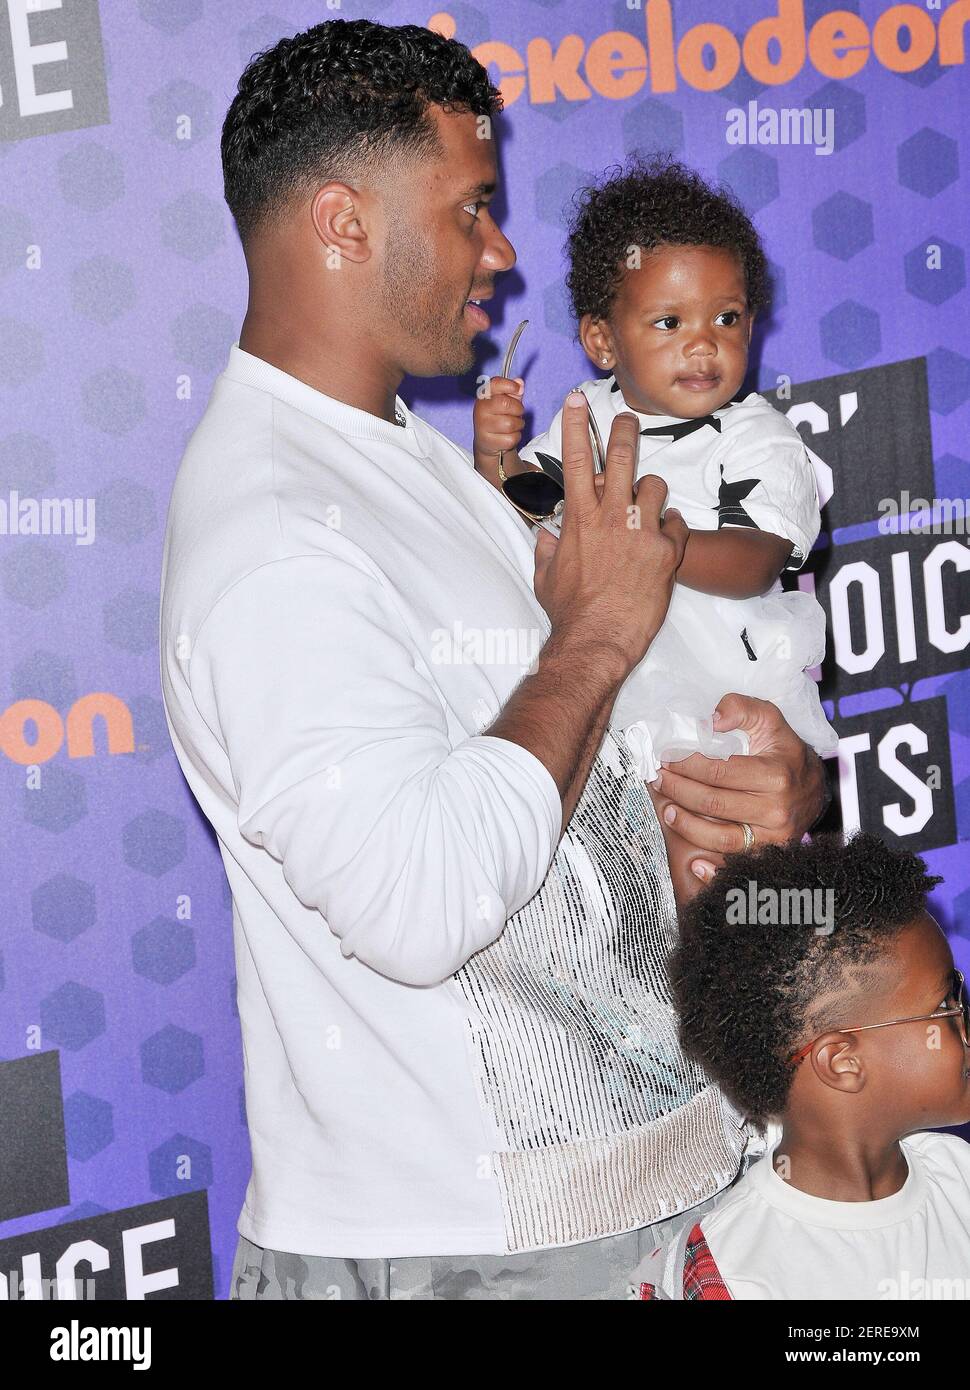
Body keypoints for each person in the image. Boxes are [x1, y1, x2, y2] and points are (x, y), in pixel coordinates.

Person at [159, 17, 827, 1301]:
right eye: (472, 207)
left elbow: (551, 763)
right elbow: (418, 903)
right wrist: (597, 632)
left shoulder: (401, 453)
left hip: (628, 1199)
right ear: (346, 223)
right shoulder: (278, 538)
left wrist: (743, 791)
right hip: (474, 1249)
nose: (503, 249)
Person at [472, 156, 838, 909]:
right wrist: (497, 457)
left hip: (725, 693)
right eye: (670, 322)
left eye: (727, 319)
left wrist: (661, 548)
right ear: (603, 342)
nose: (704, 345)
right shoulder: (588, 416)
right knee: (634, 887)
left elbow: (757, 557)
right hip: (614, 690)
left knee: (721, 872)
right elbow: (531, 509)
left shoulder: (758, 437)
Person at [635, 832, 970, 1300]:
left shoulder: (958, 1176)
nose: (962, 1021)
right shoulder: (731, 1272)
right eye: (945, 1004)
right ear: (842, 1061)